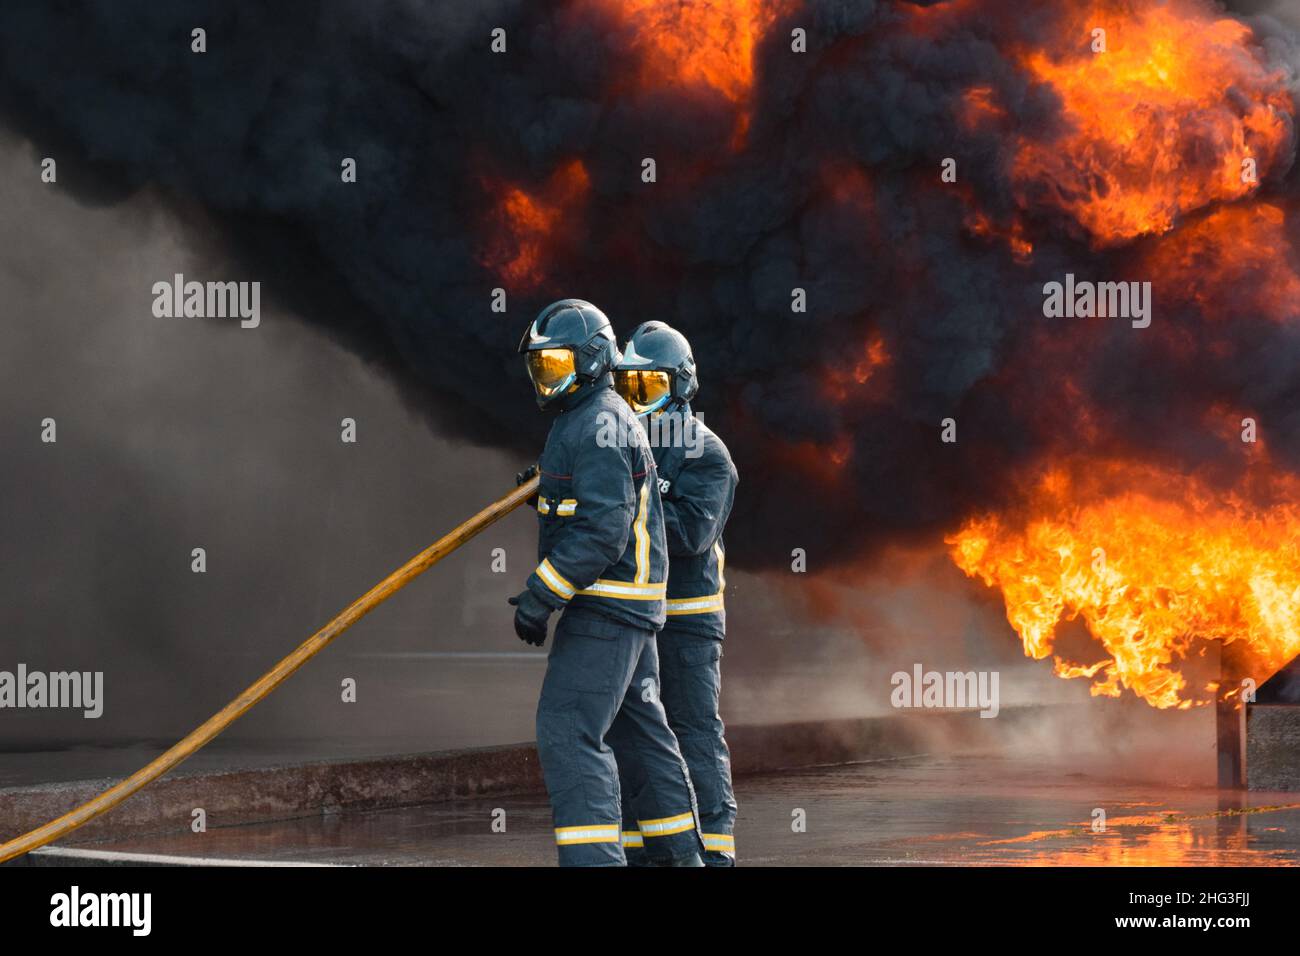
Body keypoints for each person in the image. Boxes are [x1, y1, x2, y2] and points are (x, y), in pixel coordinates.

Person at [511, 299, 704, 867]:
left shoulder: (596, 423)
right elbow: (585, 504)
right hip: (631, 609)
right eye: (539, 368)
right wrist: (547, 483)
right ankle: (681, 859)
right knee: (642, 740)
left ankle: (594, 859)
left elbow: (602, 530)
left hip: (606, 609)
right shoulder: (595, 417)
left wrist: (541, 595)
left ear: (593, 360)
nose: (546, 380)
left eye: (556, 365)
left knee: (568, 729)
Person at [610, 321, 739, 866]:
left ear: (681, 387)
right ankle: (647, 849)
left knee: (693, 733)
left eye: (649, 388)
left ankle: (714, 850)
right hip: (638, 617)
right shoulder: (620, 444)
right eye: (628, 388)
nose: (636, 403)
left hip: (686, 624)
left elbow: (690, 535)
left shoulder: (707, 456)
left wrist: (639, 490)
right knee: (636, 738)